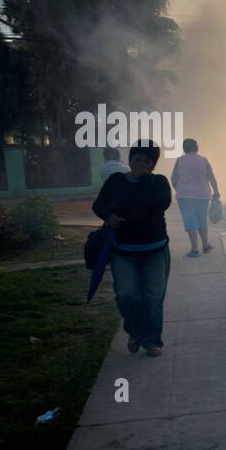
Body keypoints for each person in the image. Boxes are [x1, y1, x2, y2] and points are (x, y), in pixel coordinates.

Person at [91, 140, 173, 356]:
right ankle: (135, 331)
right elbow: (98, 205)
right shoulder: (116, 181)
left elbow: (162, 203)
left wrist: (145, 178)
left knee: (153, 297)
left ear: (153, 166)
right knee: (126, 294)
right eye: (137, 160)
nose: (140, 164)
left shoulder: (159, 182)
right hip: (123, 251)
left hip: (155, 250)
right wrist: (109, 216)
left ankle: (152, 341)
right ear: (129, 160)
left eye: (146, 162)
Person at [170, 137, 220, 258]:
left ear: (184, 149)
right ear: (196, 148)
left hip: (185, 196)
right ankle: (205, 246)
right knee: (202, 220)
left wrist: (179, 189)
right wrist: (216, 192)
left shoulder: (180, 160)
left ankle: (194, 250)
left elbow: (174, 178)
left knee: (190, 221)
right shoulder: (203, 160)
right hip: (203, 195)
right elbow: (211, 177)